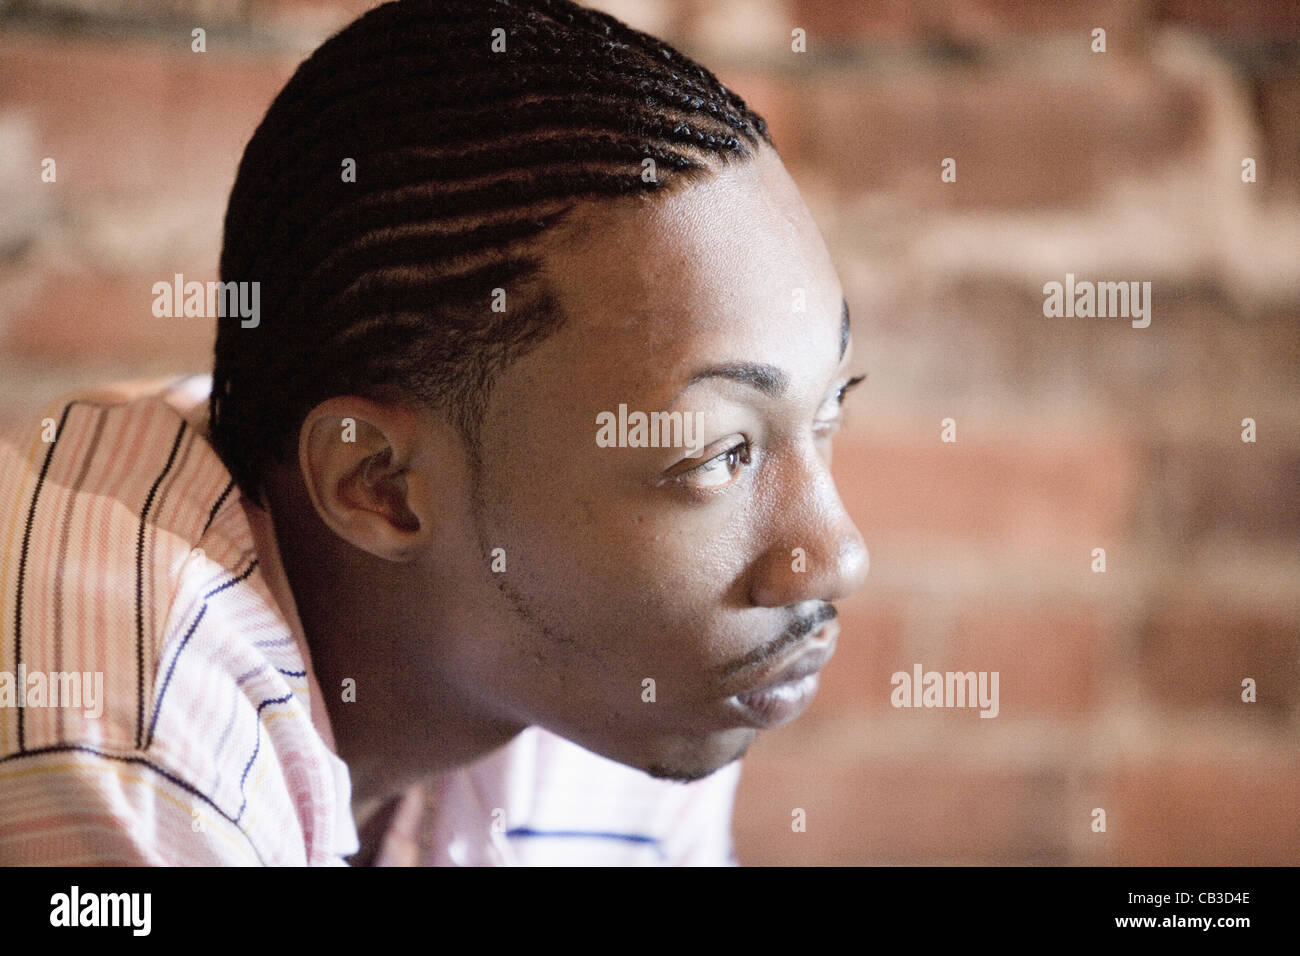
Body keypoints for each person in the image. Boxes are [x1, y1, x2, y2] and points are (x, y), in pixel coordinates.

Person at [0, 0, 868, 865]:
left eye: (829, 409)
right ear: (376, 485)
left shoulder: (634, 696)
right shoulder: (121, 731)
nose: (835, 556)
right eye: (720, 454)